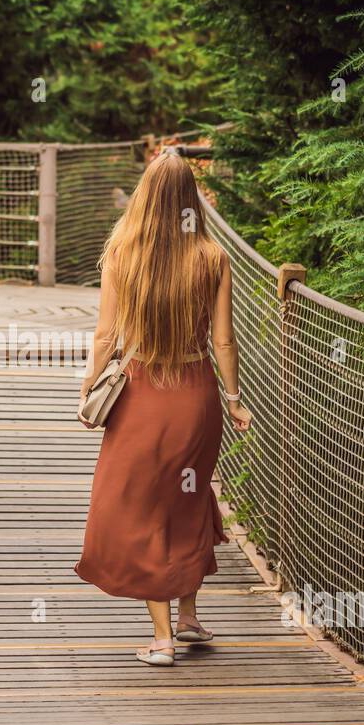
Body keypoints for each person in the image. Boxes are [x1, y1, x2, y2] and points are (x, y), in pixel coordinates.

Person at [76, 151, 252, 666]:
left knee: (147, 507)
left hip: (141, 395)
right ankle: (189, 618)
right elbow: (224, 342)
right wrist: (235, 400)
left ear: (145, 194)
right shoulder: (213, 257)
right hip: (196, 398)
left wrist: (89, 389)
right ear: (190, 200)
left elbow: (107, 335)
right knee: (189, 498)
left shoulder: (121, 253)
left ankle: (162, 638)